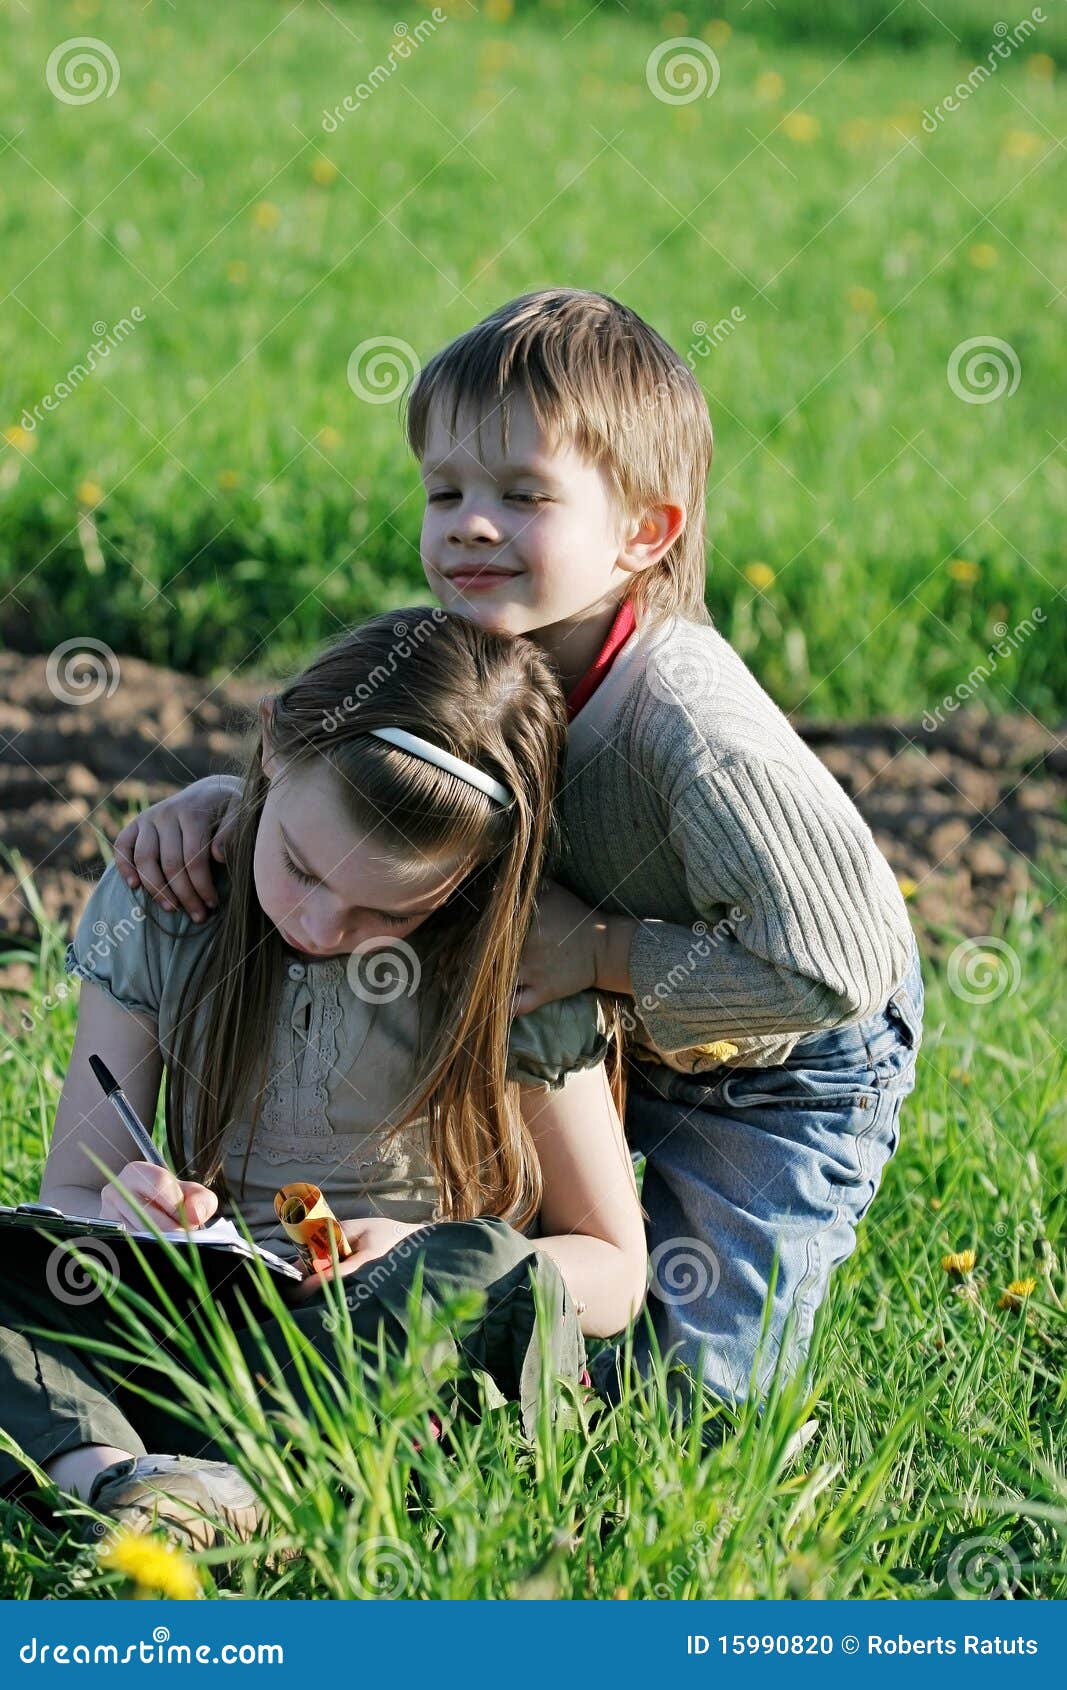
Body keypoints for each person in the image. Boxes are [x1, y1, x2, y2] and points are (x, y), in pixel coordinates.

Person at [112, 287, 924, 1424]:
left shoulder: (689, 730)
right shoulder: (488, 645)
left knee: (686, 1403)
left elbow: (840, 962)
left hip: (780, 1059)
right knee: (489, 1298)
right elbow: (342, 766)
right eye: (444, 490)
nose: (468, 525)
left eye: (521, 495)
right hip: (590, 1014)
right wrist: (217, 805)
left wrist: (598, 946)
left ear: (644, 531)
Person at [1, 607, 647, 1551]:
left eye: (385, 910)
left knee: (481, 1268)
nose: (316, 921)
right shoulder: (172, 904)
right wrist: (131, 1214)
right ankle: (121, 1483)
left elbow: (614, 1269)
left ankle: (244, 1480)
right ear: (270, 751)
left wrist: (413, 1246)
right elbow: (72, 1192)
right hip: (211, 1324)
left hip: (392, 1344)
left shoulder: (513, 964)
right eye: (299, 866)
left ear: (470, 879)